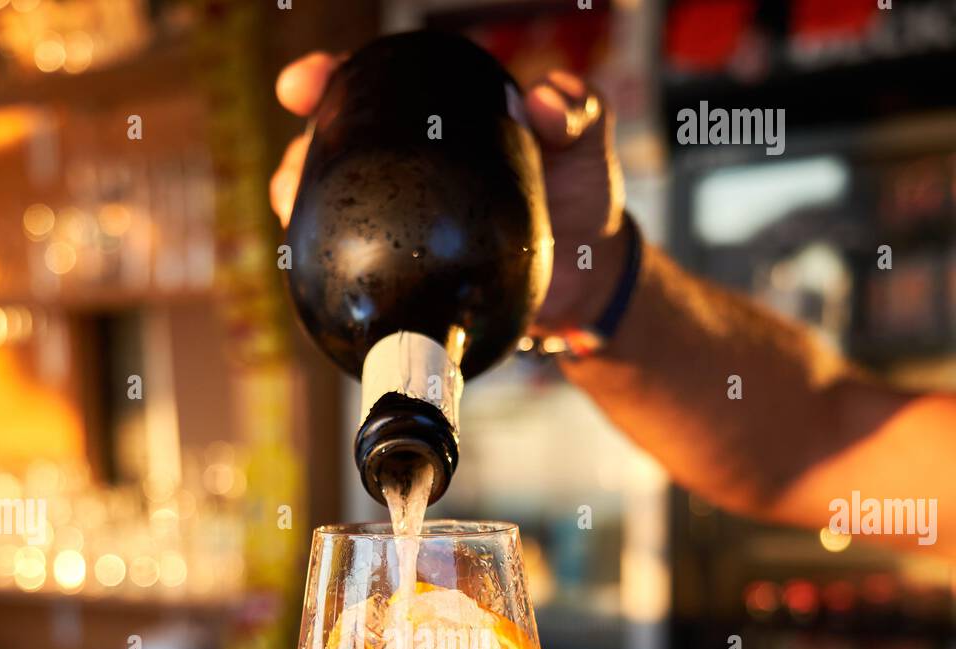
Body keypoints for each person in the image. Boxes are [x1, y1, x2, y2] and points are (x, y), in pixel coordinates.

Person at [270, 53, 956, 558]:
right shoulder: (494, 299)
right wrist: (597, 285)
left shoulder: (335, 310)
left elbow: (818, 445)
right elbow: (821, 443)